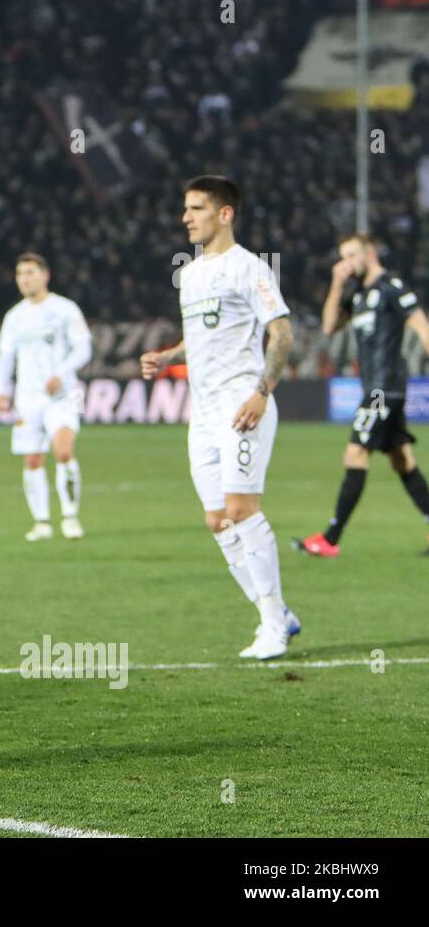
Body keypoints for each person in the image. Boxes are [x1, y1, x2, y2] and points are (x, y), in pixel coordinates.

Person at [140, 175, 301, 660]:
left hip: (241, 406)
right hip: (203, 413)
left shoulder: (249, 268)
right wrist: (170, 355)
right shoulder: (189, 274)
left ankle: (272, 625)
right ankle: (276, 613)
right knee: (217, 520)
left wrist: (261, 392)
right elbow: (204, 336)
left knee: (241, 509)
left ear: (224, 213)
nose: (185, 217)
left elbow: (282, 334)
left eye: (195, 209)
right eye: (185, 209)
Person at [295, 234, 429, 556]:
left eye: (352, 255)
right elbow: (328, 327)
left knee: (355, 453)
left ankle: (330, 538)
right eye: (343, 257)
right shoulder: (356, 295)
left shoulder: (392, 287)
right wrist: (337, 284)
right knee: (401, 460)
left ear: (369, 253)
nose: (347, 262)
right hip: (376, 387)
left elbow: (421, 325)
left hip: (385, 389)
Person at [0, 252, 91, 541]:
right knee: (33, 459)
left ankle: (71, 517)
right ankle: (42, 522)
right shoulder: (15, 316)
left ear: (45, 275)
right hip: (28, 397)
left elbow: (84, 348)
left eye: (30, 272)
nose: (24, 278)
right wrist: (1, 390)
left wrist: (61, 372)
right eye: (20, 273)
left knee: (63, 451)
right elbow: (6, 357)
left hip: (67, 393)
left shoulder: (65, 309)